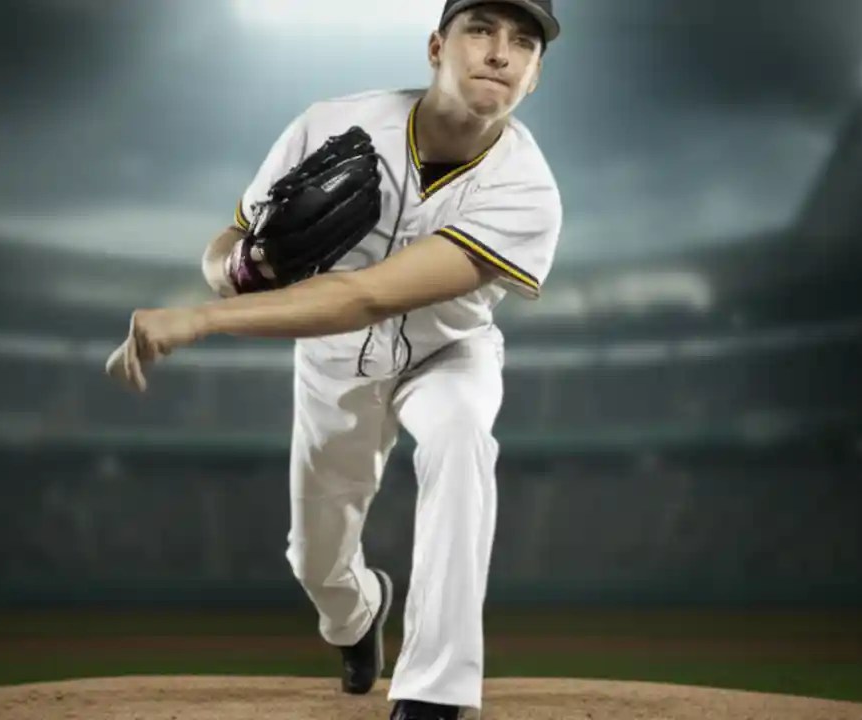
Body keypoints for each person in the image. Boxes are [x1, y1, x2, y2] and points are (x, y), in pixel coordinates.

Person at [108, 2, 562, 717]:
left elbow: (365, 295)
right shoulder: (332, 123)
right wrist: (235, 272)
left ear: (535, 76)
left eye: (524, 41)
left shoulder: (528, 192)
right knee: (315, 560)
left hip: (450, 349)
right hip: (335, 358)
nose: (501, 52)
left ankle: (437, 693)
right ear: (437, 45)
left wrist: (203, 318)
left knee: (461, 434)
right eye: (481, 29)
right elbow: (226, 243)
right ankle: (357, 613)